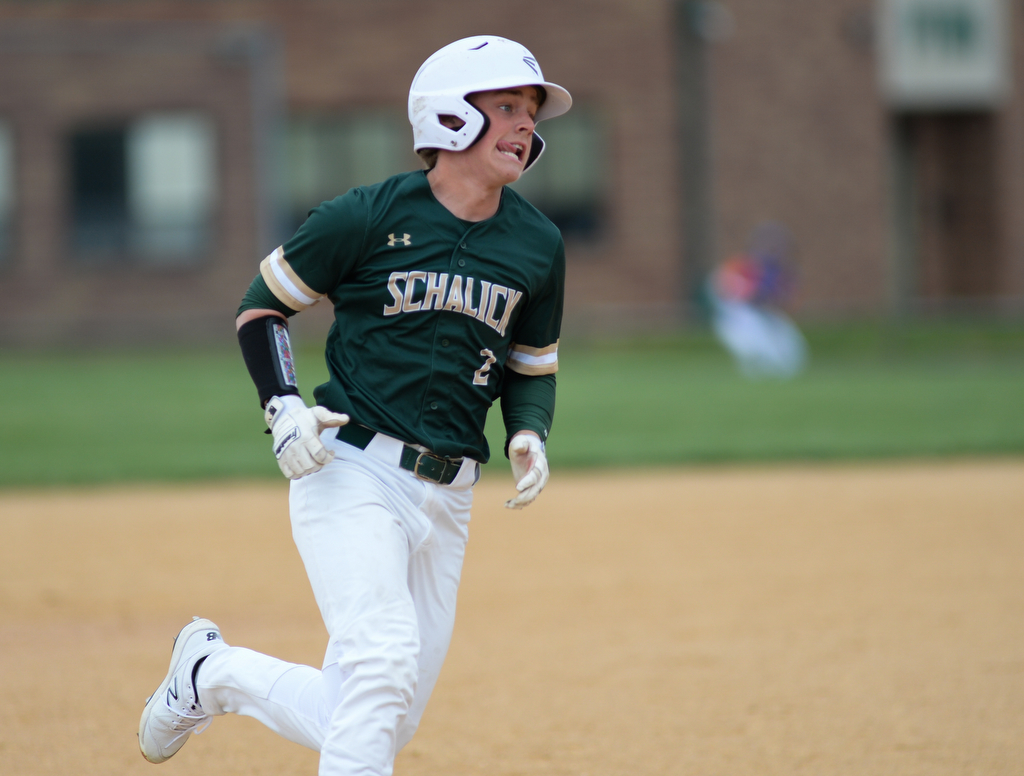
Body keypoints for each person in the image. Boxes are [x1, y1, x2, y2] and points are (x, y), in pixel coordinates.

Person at [137, 36, 570, 776]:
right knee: (382, 666)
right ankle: (211, 675)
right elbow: (262, 308)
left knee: (377, 715)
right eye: (506, 106)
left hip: (451, 495)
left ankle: (210, 674)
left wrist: (527, 430)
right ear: (449, 116)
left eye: (530, 110)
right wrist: (282, 406)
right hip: (352, 471)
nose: (526, 123)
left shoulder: (537, 243)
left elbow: (531, 363)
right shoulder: (366, 215)